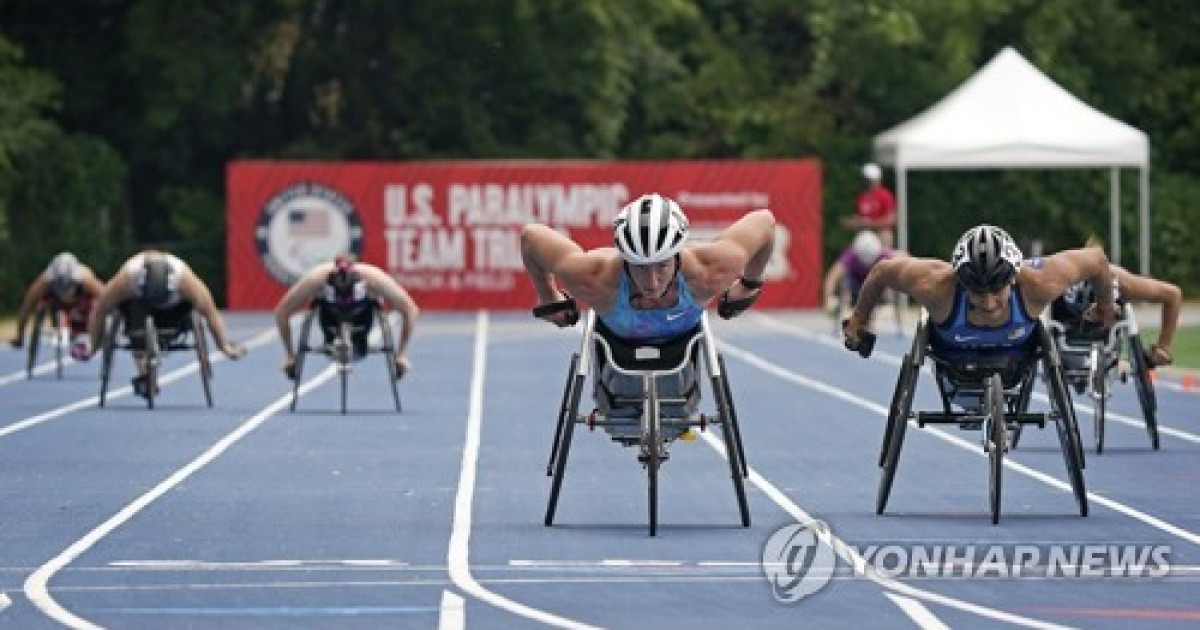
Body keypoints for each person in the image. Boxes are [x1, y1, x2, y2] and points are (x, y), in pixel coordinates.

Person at [522, 193, 775, 441]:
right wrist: (548, 296)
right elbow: (530, 237)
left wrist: (750, 283)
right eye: (640, 267)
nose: (652, 282)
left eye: (662, 266)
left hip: (682, 352)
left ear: (677, 255)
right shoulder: (593, 278)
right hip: (617, 354)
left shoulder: (710, 271)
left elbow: (765, 222)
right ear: (624, 260)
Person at [843, 225, 1118, 362]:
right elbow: (880, 272)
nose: (988, 303)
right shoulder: (937, 284)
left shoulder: (1039, 282)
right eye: (977, 291)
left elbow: (1096, 259)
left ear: (1014, 277)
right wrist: (858, 321)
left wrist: (1105, 307)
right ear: (960, 281)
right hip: (953, 357)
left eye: (997, 290)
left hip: (1016, 357)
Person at [87, 250, 247, 398]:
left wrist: (223, 346)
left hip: (174, 310)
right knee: (134, 327)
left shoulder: (186, 280)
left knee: (196, 306)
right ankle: (145, 372)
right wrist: (93, 347)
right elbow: (100, 311)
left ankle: (153, 346)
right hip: (139, 304)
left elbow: (211, 313)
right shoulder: (126, 279)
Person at [274, 255, 419, 380]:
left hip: (362, 316)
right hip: (329, 315)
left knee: (365, 325)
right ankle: (332, 341)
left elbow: (411, 309)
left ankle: (357, 341)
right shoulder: (315, 278)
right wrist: (289, 355)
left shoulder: (375, 278)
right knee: (322, 310)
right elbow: (282, 312)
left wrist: (402, 354)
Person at [1050, 263, 1182, 367]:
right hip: (1061, 323)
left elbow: (1172, 294)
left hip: (1100, 322)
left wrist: (1163, 347)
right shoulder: (1054, 282)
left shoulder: (1123, 283)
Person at [10, 252, 106, 360]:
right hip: (55, 302)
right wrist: (20, 335)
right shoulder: (43, 282)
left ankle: (85, 332)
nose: (64, 291)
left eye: (68, 285)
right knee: (36, 301)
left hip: (82, 302)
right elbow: (26, 307)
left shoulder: (86, 279)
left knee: (96, 305)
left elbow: (107, 298)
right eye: (60, 286)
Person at [822, 230, 898, 316]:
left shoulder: (884, 255)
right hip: (855, 283)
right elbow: (832, 278)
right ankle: (845, 305)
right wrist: (828, 298)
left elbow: (906, 261)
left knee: (890, 275)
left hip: (874, 283)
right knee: (845, 280)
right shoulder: (850, 256)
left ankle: (888, 303)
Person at [844, 163, 897, 248]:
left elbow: (891, 220)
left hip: (880, 232)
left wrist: (871, 224)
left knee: (885, 237)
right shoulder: (862, 196)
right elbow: (860, 217)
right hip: (865, 233)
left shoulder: (885, 195)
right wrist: (854, 222)